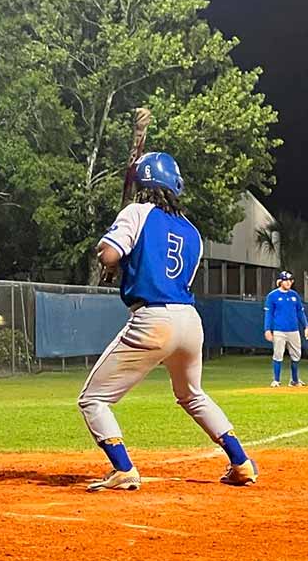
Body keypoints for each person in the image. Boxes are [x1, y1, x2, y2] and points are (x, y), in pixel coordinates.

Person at [77, 151, 257, 491]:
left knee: (93, 399)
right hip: (189, 320)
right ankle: (241, 462)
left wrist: (105, 252)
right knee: (193, 395)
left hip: (153, 318)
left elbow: (111, 254)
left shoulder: (136, 212)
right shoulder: (192, 232)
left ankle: (123, 469)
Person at [263, 271, 308, 387]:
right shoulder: (272, 296)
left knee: (296, 355)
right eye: (286, 280)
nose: (288, 282)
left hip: (294, 330)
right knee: (278, 354)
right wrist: (267, 329)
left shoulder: (294, 295)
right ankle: (276, 380)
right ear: (280, 282)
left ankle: (294, 380)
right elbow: (268, 314)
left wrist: (306, 326)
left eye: (290, 280)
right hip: (279, 330)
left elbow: (300, 312)